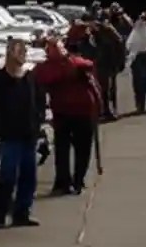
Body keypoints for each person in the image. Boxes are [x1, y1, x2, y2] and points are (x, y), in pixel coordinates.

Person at [0, 38, 44, 227]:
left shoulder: (29, 77)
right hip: (10, 136)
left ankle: (22, 212)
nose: (23, 55)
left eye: (24, 52)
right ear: (9, 53)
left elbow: (38, 102)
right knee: (8, 176)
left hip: (29, 134)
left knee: (29, 175)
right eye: (19, 52)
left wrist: (38, 124)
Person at [33, 40, 100, 195]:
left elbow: (41, 77)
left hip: (63, 112)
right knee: (81, 149)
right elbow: (88, 64)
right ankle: (77, 181)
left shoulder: (46, 68)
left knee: (63, 149)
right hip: (80, 111)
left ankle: (65, 181)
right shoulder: (75, 64)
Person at [126, 12, 146, 114]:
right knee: (139, 83)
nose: (142, 21)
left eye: (144, 19)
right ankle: (141, 106)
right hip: (138, 57)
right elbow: (129, 45)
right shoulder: (136, 30)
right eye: (141, 19)